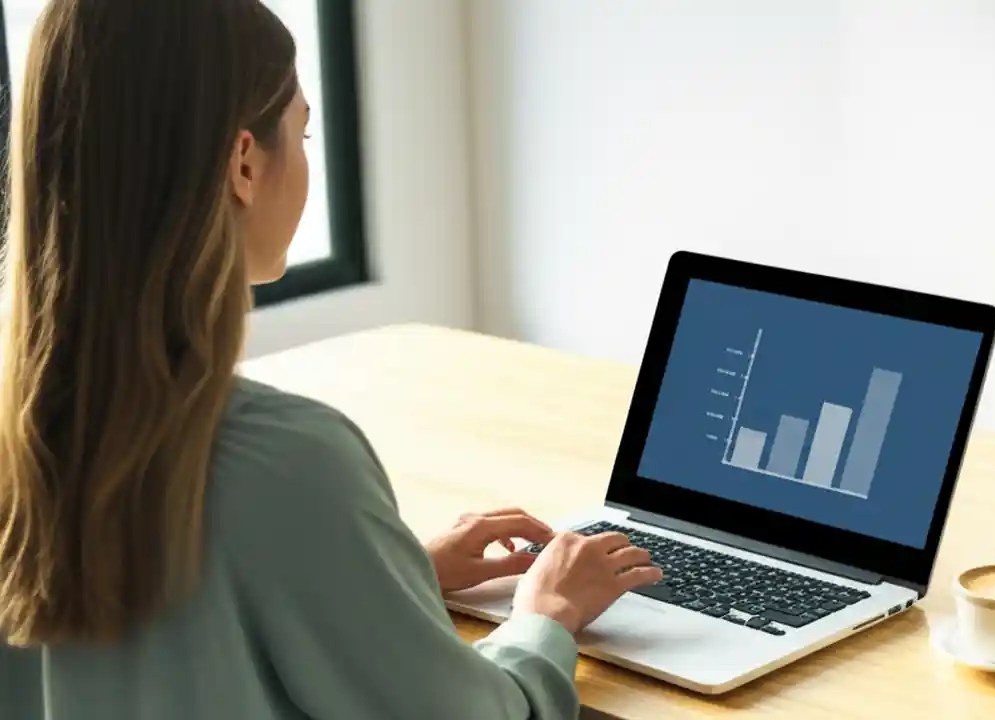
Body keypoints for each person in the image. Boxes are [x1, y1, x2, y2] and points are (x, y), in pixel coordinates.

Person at [0, 2, 661, 718]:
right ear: (244, 164)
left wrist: (383, 580)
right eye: (303, 130)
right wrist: (547, 617)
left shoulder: (29, 436)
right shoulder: (286, 461)